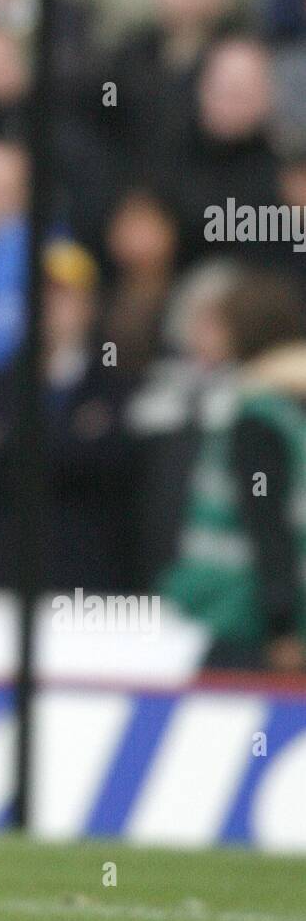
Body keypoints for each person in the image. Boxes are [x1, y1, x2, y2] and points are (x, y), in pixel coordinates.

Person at [161, 271, 306, 674]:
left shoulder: (258, 418)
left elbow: (269, 525)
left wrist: (281, 630)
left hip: (249, 622)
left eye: (216, 323)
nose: (200, 335)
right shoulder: (282, 405)